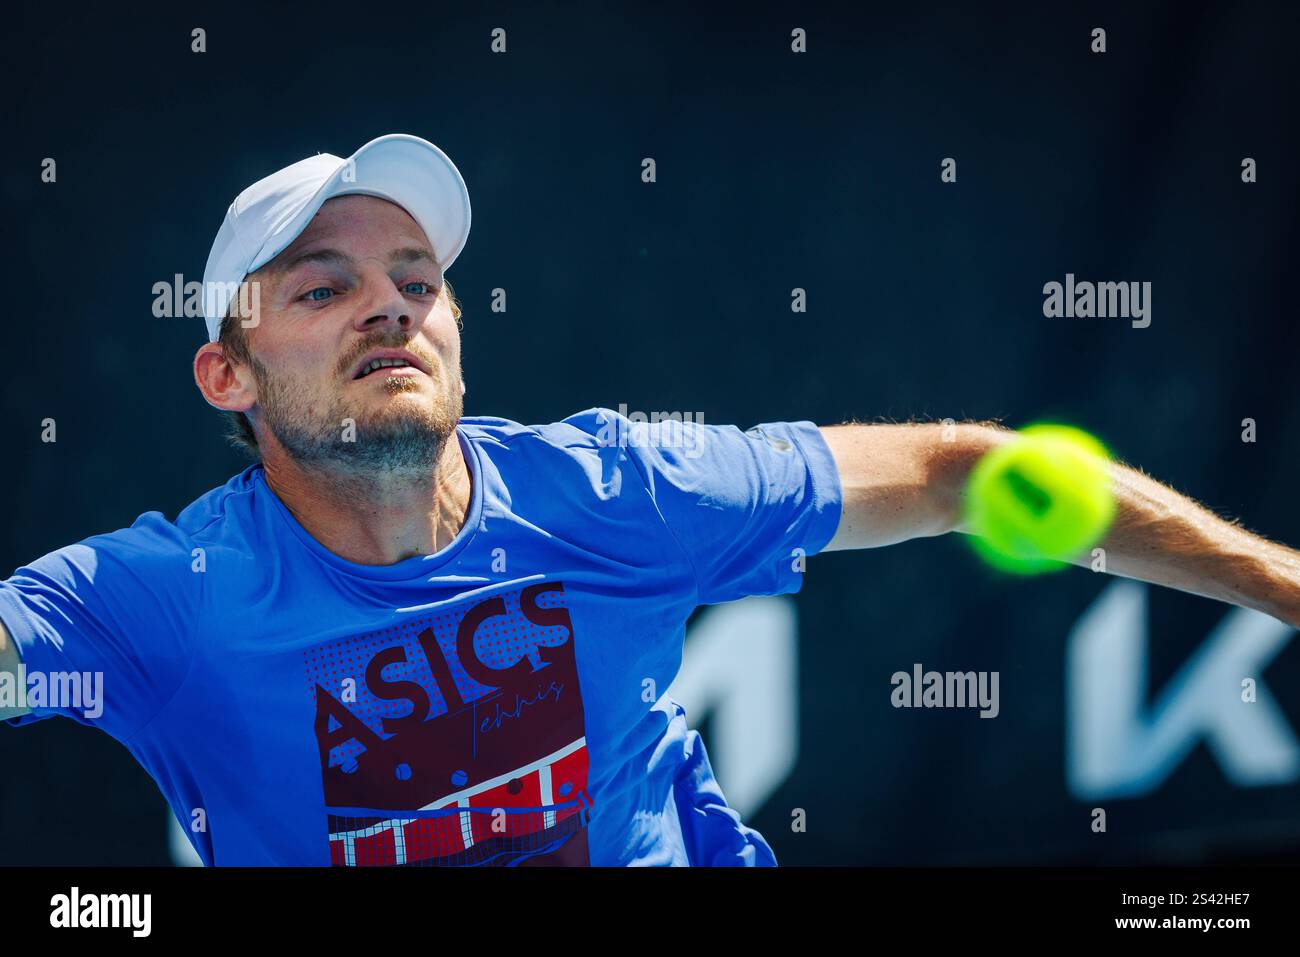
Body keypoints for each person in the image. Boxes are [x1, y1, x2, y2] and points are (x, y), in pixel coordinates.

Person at [2, 134, 1296, 866]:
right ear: (225, 370)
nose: (392, 301)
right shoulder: (157, 605)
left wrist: (1288, 584)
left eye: (417, 275)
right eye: (322, 286)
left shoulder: (616, 493)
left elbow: (969, 472)